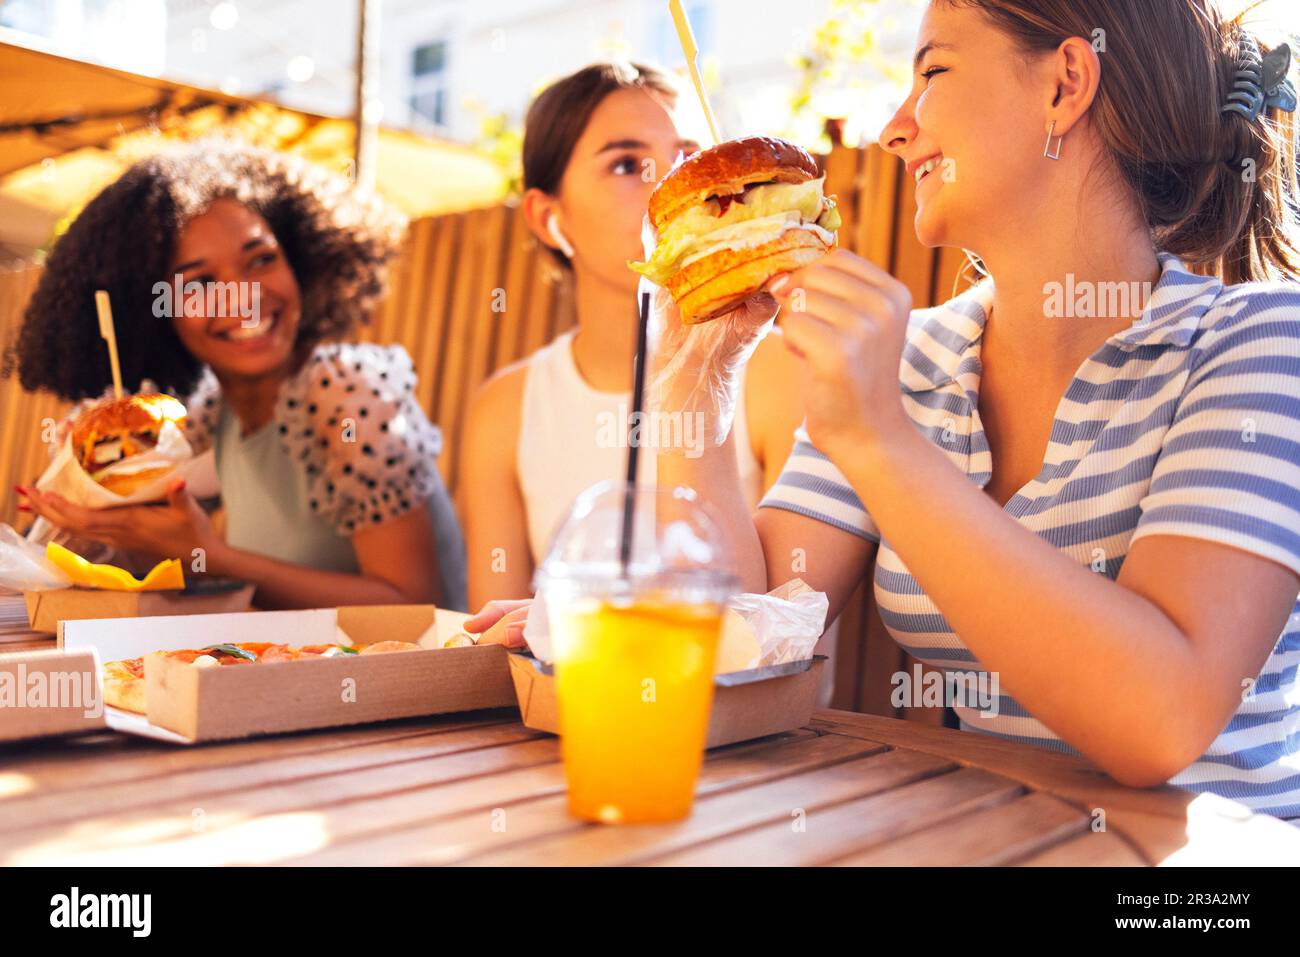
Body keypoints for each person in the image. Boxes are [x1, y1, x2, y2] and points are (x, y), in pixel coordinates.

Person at [481, 0, 1300, 823]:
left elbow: (1161, 719)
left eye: (933, 73)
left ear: (1066, 84)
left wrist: (879, 439)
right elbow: (755, 625)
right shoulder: (919, 355)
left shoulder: (1258, 346)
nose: (893, 129)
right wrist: (700, 385)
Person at [9, 142, 467, 611]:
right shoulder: (215, 414)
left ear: (300, 262)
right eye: (201, 284)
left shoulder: (347, 393)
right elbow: (150, 546)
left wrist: (212, 557)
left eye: (261, 259)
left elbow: (414, 606)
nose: (243, 297)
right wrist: (94, 476)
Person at [459, 62, 806, 611]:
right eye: (626, 164)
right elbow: (494, 645)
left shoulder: (782, 373)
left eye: (688, 157)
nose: (673, 184)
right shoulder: (505, 409)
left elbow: (790, 629)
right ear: (550, 220)